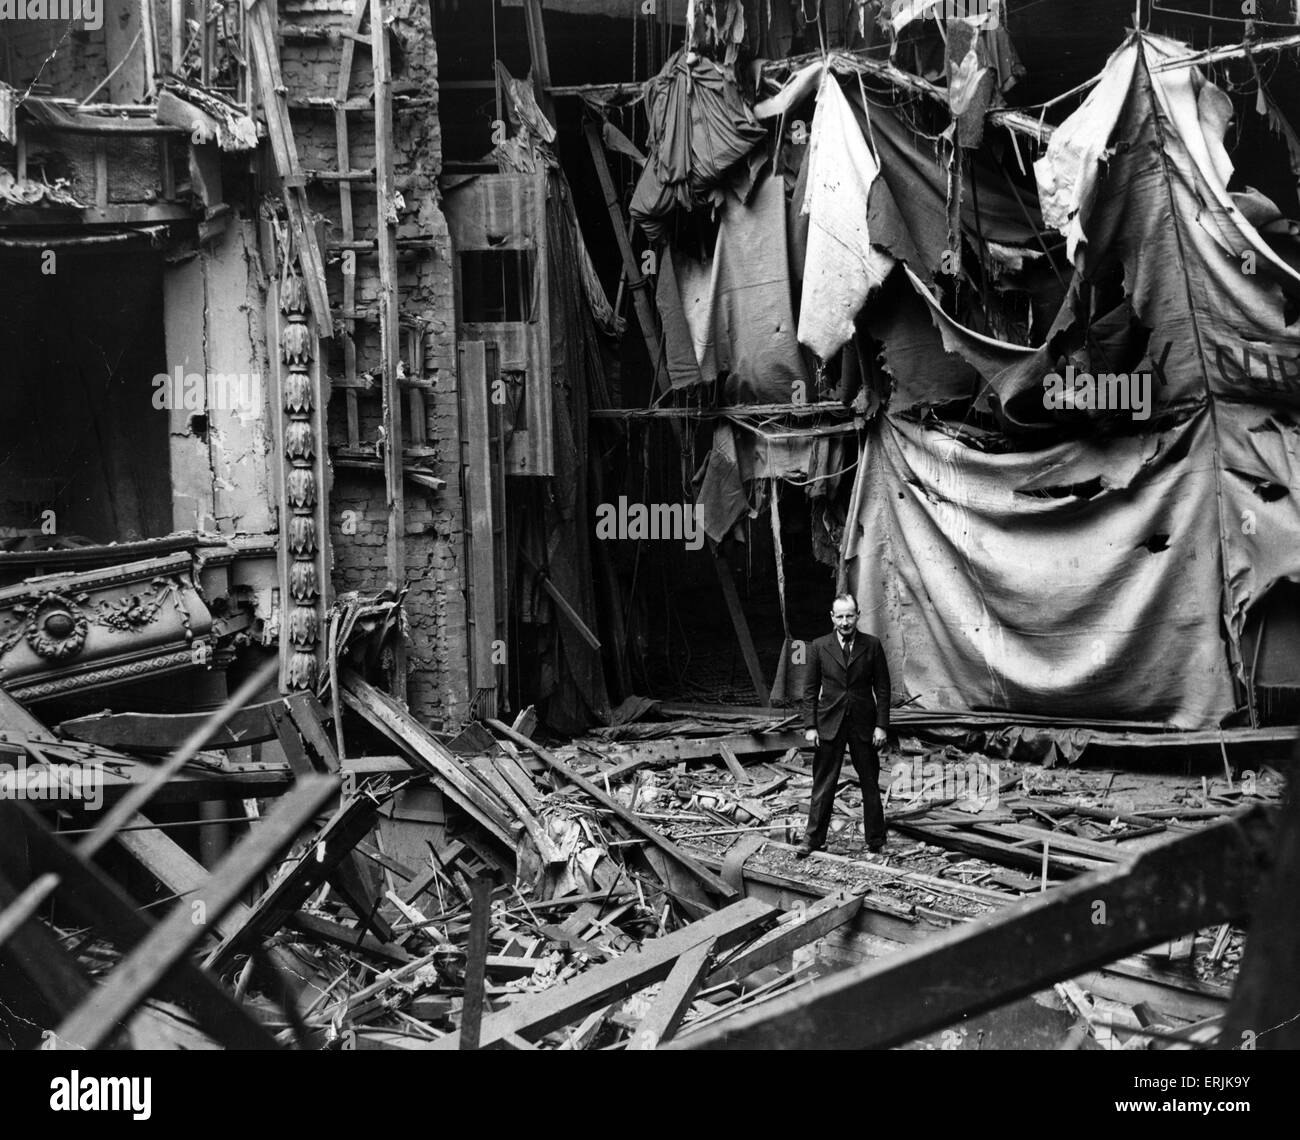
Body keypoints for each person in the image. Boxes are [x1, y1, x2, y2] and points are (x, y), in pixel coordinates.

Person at [798, 593, 891, 858]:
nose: (845, 621)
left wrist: (881, 726)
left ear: (858, 615)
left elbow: (883, 688)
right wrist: (810, 726)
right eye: (839, 616)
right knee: (823, 783)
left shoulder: (872, 645)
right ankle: (813, 839)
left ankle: (876, 840)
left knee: (870, 783)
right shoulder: (819, 646)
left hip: (863, 724)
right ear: (832, 617)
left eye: (850, 615)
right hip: (830, 723)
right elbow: (809, 690)